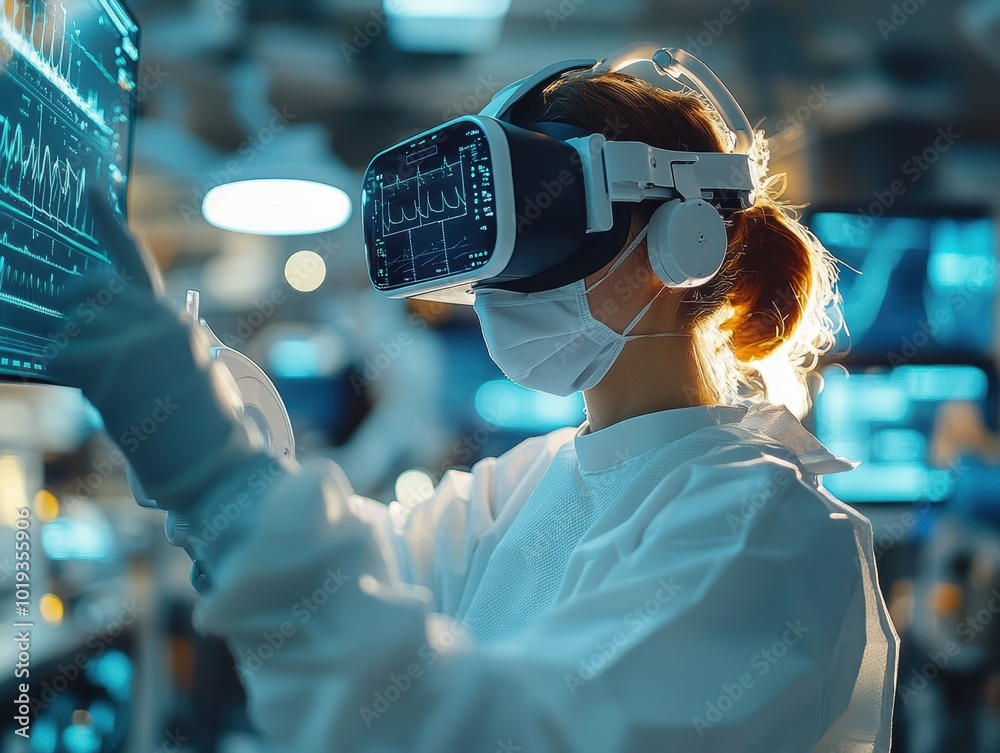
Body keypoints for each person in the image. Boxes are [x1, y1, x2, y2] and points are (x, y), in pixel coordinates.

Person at [51, 65, 898, 752]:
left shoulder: (768, 530)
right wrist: (215, 418)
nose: (501, 292)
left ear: (678, 241)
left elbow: (482, 732)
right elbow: (346, 592)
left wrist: (209, 467)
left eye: (542, 231)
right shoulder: (532, 482)